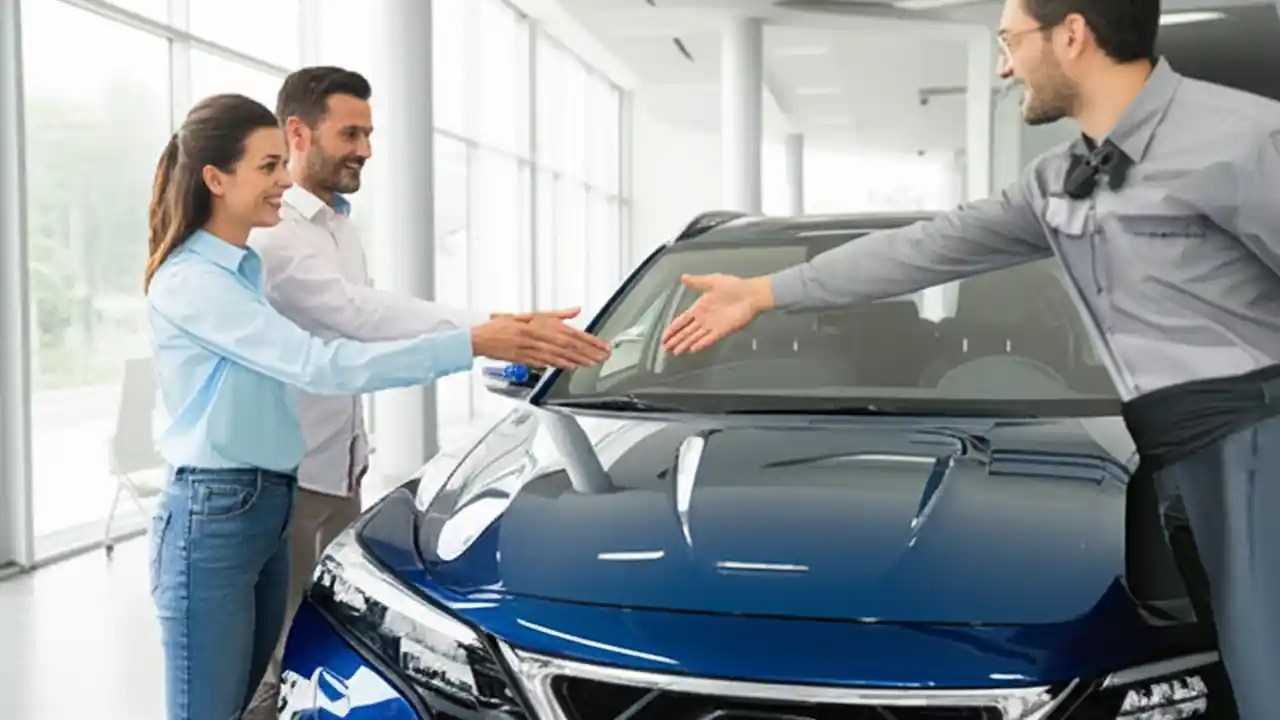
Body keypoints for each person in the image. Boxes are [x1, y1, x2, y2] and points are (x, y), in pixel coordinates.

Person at [662, 0, 1280, 716]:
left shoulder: (1242, 138)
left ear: (1072, 35)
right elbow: (929, 247)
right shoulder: (1058, 180)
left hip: (1256, 444)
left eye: (1010, 41)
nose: (1002, 64)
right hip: (1169, 454)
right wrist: (766, 291)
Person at [145, 93, 609, 720]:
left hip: (264, 500)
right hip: (215, 510)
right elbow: (322, 360)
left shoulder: (243, 267)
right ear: (215, 179)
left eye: (283, 164)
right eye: (268, 168)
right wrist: (472, 341)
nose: (285, 181)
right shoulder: (193, 281)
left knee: (244, 698)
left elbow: (361, 318)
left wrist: (482, 331)